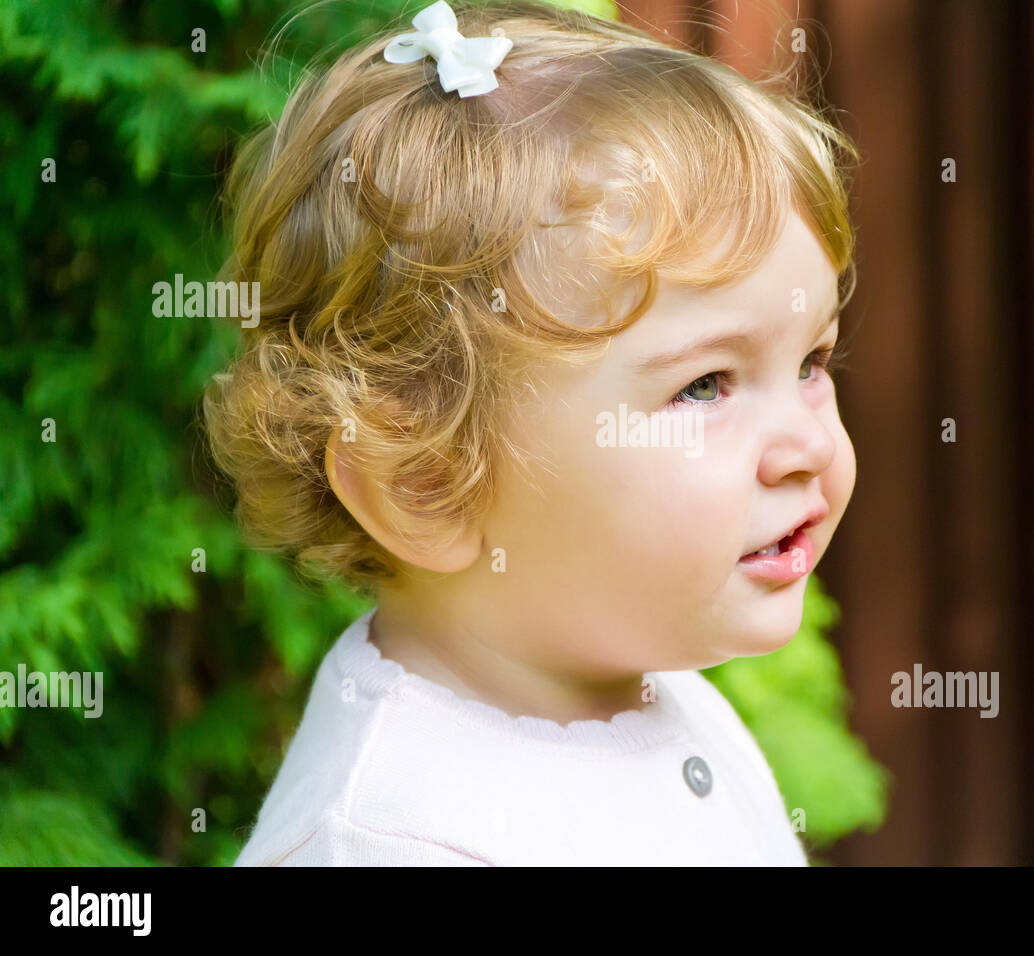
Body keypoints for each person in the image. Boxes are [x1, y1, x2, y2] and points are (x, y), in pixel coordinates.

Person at [204, 0, 858, 865]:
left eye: (811, 362)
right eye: (704, 386)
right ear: (427, 483)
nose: (807, 446)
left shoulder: (658, 693)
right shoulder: (394, 842)